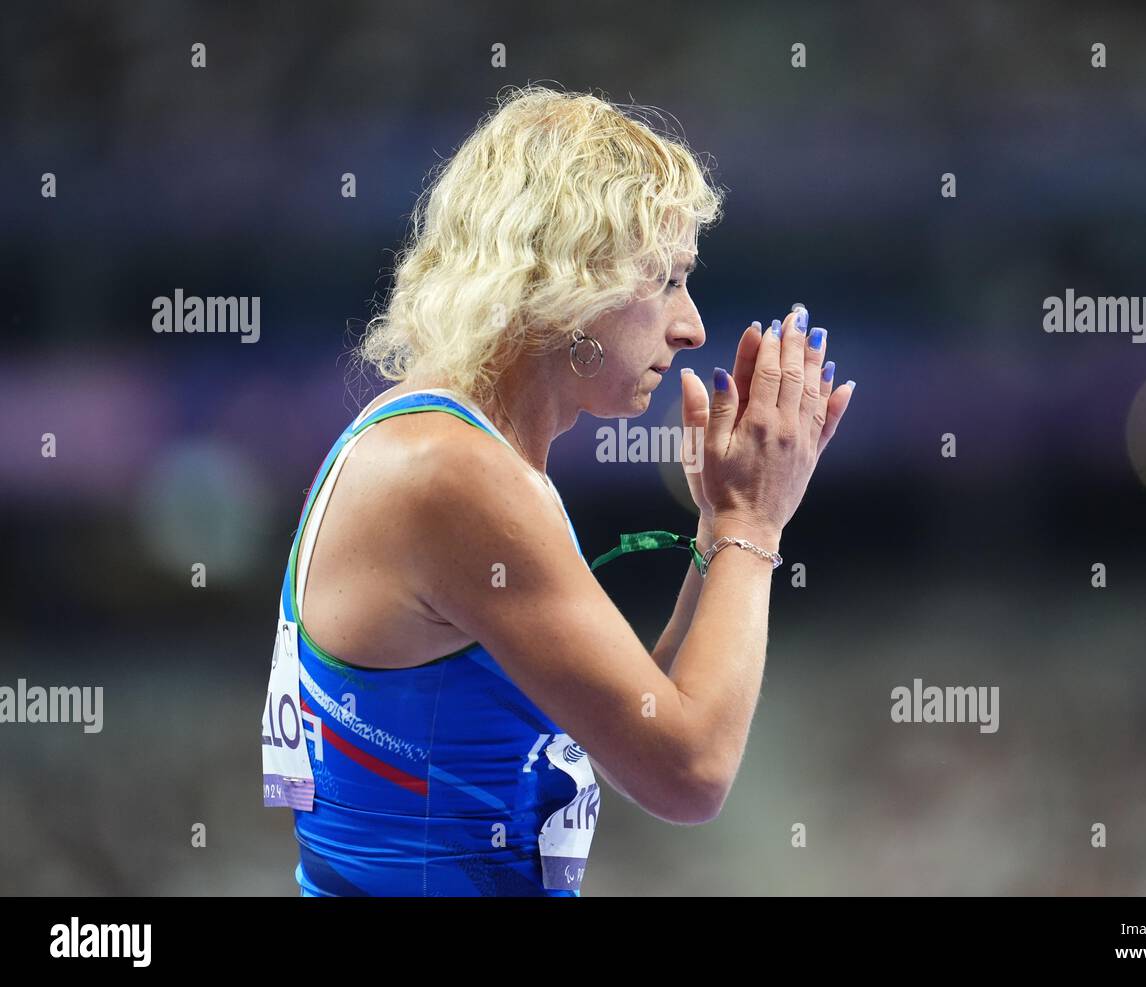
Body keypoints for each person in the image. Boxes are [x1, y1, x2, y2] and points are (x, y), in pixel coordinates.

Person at [260, 85, 853, 896]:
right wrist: (759, 521)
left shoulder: (434, 444)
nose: (692, 327)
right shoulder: (449, 473)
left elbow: (628, 736)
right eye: (666, 278)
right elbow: (690, 771)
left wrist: (720, 524)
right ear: (568, 275)